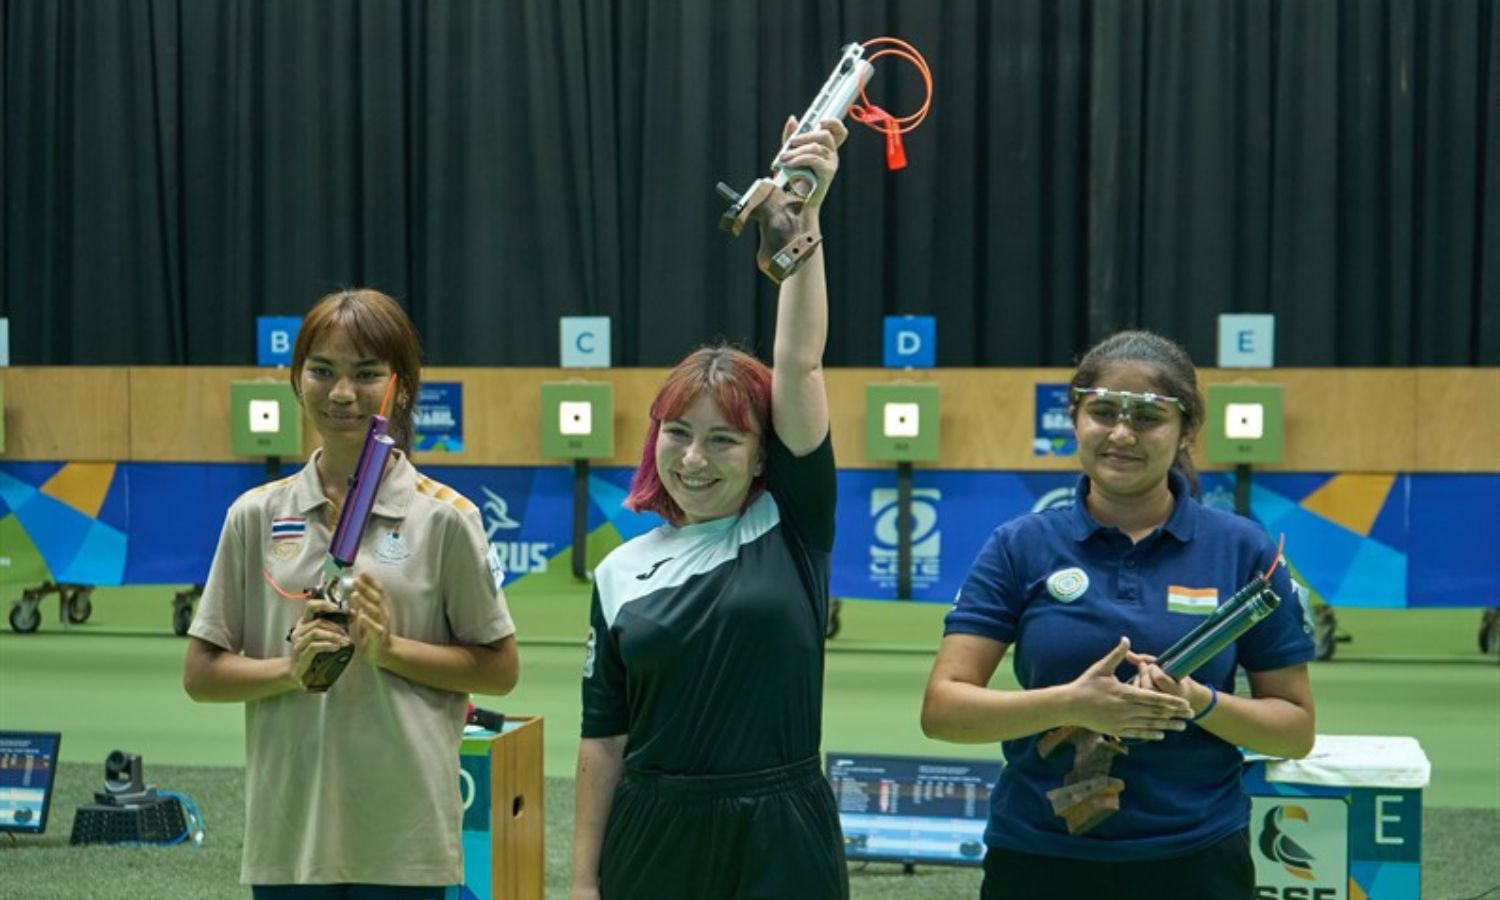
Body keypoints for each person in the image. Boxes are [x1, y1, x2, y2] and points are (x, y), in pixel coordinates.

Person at [920, 330, 1316, 900]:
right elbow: (944, 710)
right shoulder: (1018, 546)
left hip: (1196, 858)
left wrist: (1197, 701)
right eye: (1103, 412)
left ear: (1187, 432)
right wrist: (1069, 703)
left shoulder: (1244, 551)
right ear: (1075, 419)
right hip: (1038, 853)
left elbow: (1295, 731)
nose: (1122, 435)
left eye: (1149, 418)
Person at [570, 117, 849, 900]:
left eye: (724, 439)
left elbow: (800, 362)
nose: (693, 459)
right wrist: (583, 882)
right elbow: (604, 740)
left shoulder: (794, 523)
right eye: (678, 433)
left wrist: (806, 224)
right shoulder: (621, 571)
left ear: (764, 453)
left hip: (784, 832)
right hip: (654, 832)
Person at [183, 289, 519, 899]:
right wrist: (292, 670)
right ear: (296, 380)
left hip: (405, 840)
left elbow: (500, 671)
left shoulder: (447, 519)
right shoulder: (254, 516)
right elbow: (202, 675)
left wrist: (391, 651)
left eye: (367, 375)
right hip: (289, 840)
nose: (343, 394)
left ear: (401, 387)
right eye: (323, 371)